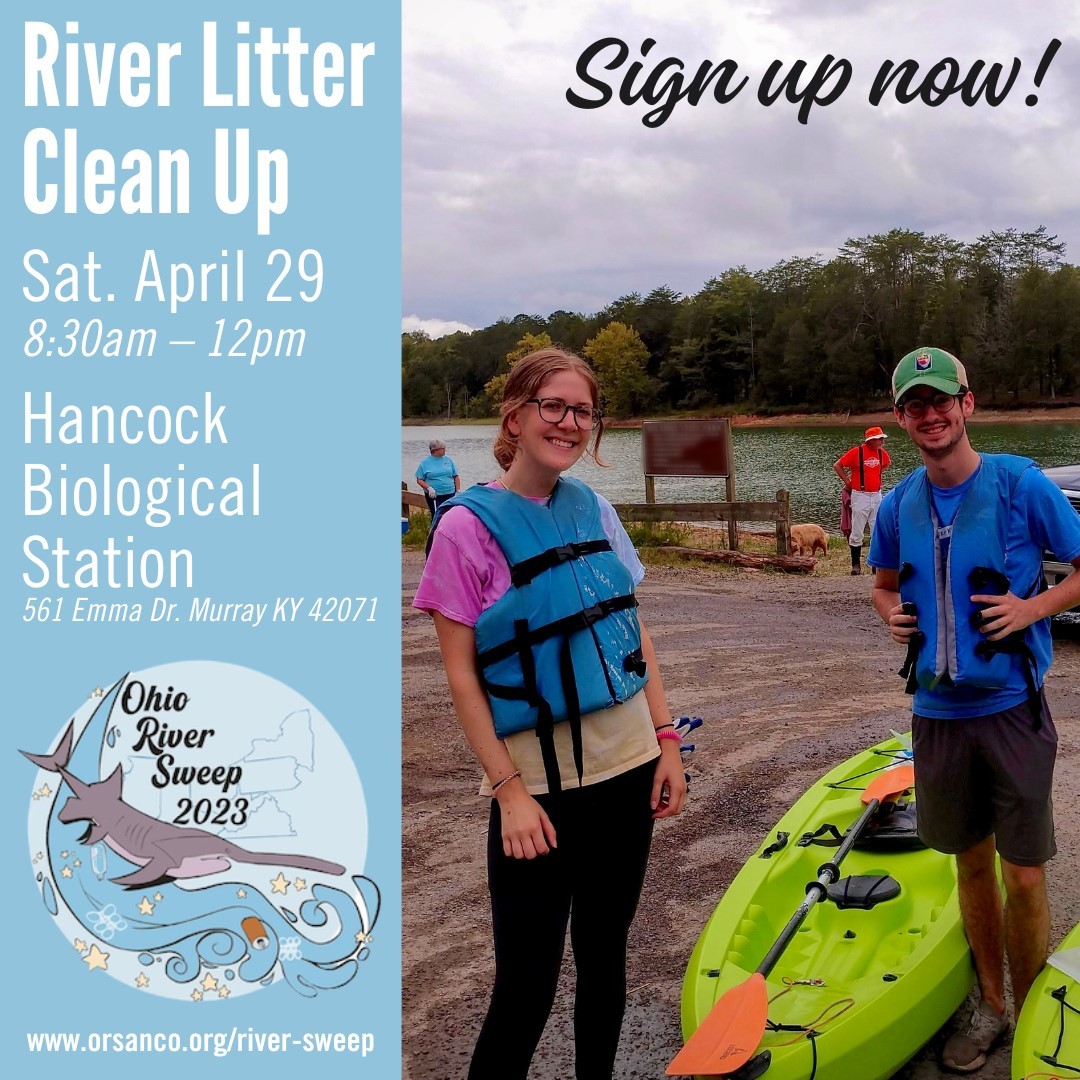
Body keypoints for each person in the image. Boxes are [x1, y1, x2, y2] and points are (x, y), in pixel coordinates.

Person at [413, 347, 686, 1080]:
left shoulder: (594, 507)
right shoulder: (465, 528)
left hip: (627, 770)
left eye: (582, 411)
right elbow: (463, 678)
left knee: (606, 961)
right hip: (535, 794)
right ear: (516, 414)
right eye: (552, 407)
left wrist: (666, 740)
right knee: (525, 987)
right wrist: (508, 792)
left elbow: (633, 631)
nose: (568, 423)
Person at [868, 346, 1080, 1073]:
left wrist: (1034, 607)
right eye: (915, 405)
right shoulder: (898, 504)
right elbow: (884, 584)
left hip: (1013, 708)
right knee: (970, 864)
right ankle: (990, 1004)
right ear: (901, 418)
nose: (931, 415)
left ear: (968, 404)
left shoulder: (1020, 484)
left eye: (941, 399)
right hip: (937, 715)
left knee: (1024, 873)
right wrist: (892, 614)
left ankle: (1030, 1010)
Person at [834, 425, 891, 575]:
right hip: (860, 495)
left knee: (876, 530)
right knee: (857, 529)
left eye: (882, 439)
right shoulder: (856, 452)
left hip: (877, 495)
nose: (881, 441)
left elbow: (886, 463)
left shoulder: (881, 453)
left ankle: (875, 565)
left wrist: (876, 476)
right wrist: (848, 482)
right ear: (871, 440)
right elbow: (838, 465)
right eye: (879, 439)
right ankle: (856, 565)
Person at [416, 438, 460, 514]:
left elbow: (455, 476)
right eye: (443, 449)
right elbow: (419, 479)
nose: (445, 450)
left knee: (451, 514)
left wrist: (458, 491)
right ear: (435, 450)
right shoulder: (425, 462)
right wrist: (429, 488)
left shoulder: (448, 460)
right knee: (437, 515)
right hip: (434, 494)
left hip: (450, 493)